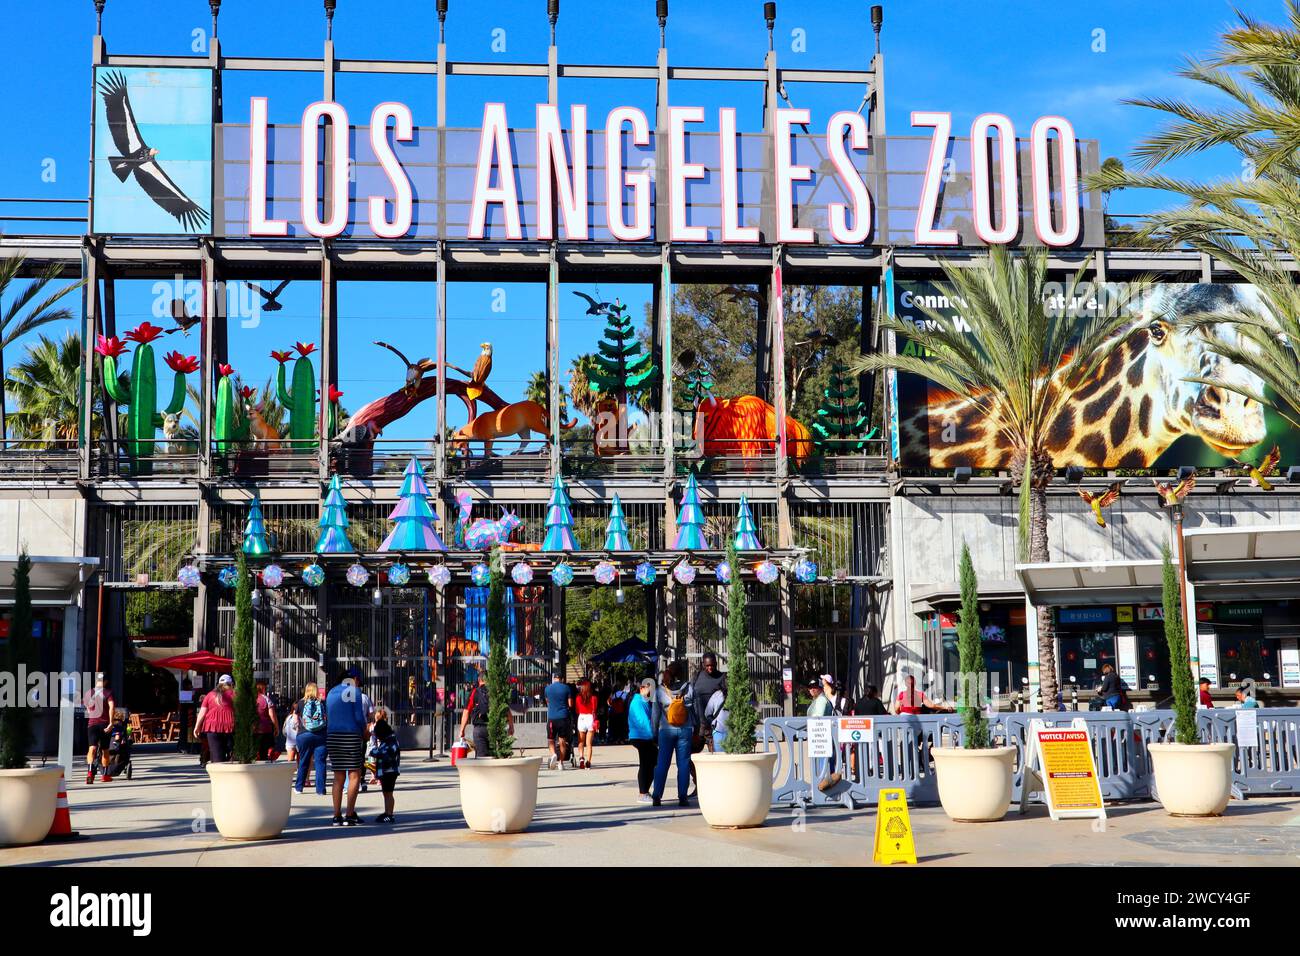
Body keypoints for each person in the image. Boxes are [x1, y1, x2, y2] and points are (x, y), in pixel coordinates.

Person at [325, 669, 369, 826]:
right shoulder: (354, 691)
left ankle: (336, 815)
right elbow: (359, 716)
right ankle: (349, 814)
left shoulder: (331, 692)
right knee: (354, 775)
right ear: (354, 679)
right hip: (351, 735)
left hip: (333, 735)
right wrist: (365, 731)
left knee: (338, 776)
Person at [650, 662, 696, 807]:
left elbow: (655, 714)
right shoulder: (688, 688)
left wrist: (653, 732)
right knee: (683, 764)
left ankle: (657, 795)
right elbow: (692, 709)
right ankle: (682, 796)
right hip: (685, 729)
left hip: (665, 730)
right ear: (682, 673)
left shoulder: (660, 690)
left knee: (662, 764)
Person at [458, 670, 512, 760]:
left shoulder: (474, 692)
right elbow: (506, 710)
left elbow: (466, 712)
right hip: (494, 729)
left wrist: (462, 730)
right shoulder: (496, 692)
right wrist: (511, 726)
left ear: (479, 680)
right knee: (494, 757)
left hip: (479, 730)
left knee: (481, 760)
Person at [627, 677, 658, 803]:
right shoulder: (638, 702)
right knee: (647, 764)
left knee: (650, 763)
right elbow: (643, 722)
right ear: (642, 688)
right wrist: (654, 736)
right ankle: (642, 792)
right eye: (650, 688)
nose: (652, 691)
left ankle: (644, 791)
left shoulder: (643, 701)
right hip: (641, 737)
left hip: (643, 736)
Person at [193, 674, 236, 764]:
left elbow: (202, 712)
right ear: (231, 684)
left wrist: (197, 727)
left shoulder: (210, 695)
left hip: (212, 728)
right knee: (233, 757)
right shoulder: (235, 694)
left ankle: (218, 775)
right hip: (230, 727)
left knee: (217, 757)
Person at [296, 682, 328, 795]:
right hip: (320, 736)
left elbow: (296, 720)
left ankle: (299, 788)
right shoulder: (322, 703)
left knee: (303, 761)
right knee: (320, 762)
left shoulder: (300, 703)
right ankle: (320, 790)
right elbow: (326, 719)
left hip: (304, 735)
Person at [83, 676, 116, 785]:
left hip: (92, 724)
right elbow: (112, 707)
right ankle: (105, 775)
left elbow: (87, 707)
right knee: (105, 750)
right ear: (105, 682)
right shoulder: (108, 693)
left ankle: (89, 773)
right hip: (104, 724)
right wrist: (111, 722)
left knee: (91, 748)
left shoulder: (88, 693)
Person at [692, 652, 727, 751]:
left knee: (715, 756)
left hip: (713, 726)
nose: (710, 667)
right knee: (692, 755)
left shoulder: (721, 677)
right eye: (707, 665)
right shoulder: (697, 676)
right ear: (703, 664)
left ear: (716, 663)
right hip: (699, 726)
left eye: (712, 665)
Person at [370, 716, 401, 823]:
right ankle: (387, 811)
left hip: (390, 772)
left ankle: (390, 814)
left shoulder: (390, 741)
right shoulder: (389, 740)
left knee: (389, 793)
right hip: (386, 771)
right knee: (386, 793)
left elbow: (385, 754)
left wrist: (374, 751)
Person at [543, 672, 574, 770]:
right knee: (562, 741)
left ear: (554, 678)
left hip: (552, 717)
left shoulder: (547, 688)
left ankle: (553, 755)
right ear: (562, 679)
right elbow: (570, 704)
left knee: (551, 740)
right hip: (563, 717)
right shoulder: (566, 688)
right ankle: (561, 763)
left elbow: (547, 702)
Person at [100, 708, 132, 782]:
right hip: (116, 743)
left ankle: (103, 770)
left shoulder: (109, 724)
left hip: (108, 743)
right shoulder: (120, 726)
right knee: (118, 737)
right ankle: (116, 743)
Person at [575, 678, 599, 769]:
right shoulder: (594, 698)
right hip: (590, 718)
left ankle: (581, 758)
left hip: (581, 718)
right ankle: (588, 761)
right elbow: (595, 709)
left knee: (580, 741)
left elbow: (577, 710)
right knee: (589, 743)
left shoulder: (578, 698)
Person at [255, 680, 278, 761]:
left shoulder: (251, 699)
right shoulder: (266, 699)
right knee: (263, 754)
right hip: (265, 730)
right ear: (263, 688)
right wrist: (276, 727)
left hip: (253, 730)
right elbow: (272, 715)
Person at [282, 699, 301, 764]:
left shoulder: (288, 717)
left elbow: (284, 731)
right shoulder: (301, 717)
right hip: (300, 740)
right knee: (300, 762)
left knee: (290, 762)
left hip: (290, 742)